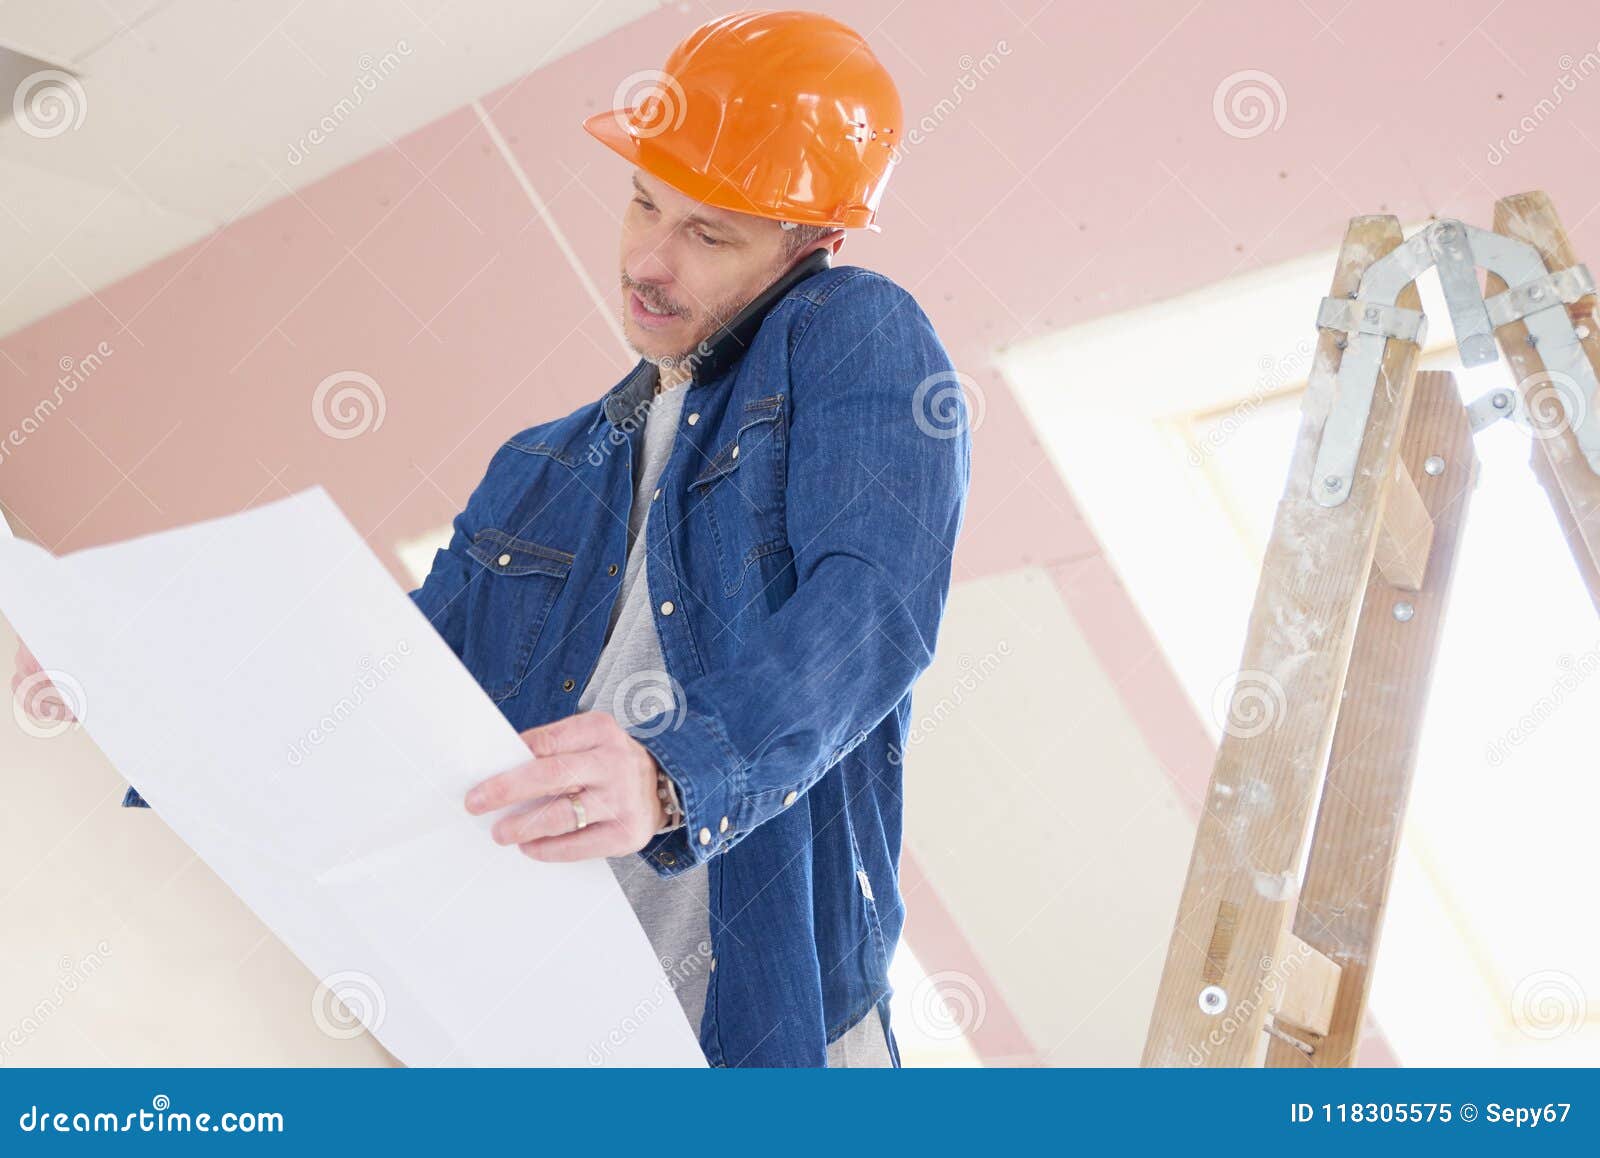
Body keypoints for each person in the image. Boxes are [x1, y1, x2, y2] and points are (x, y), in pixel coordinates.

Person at [15, 9, 971, 1068]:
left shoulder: (849, 331)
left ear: (812, 246)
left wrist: (671, 776)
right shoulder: (541, 468)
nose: (649, 261)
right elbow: (391, 686)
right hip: (533, 1027)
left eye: (709, 236)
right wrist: (162, 704)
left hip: (764, 1030)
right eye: (644, 203)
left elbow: (874, 603)